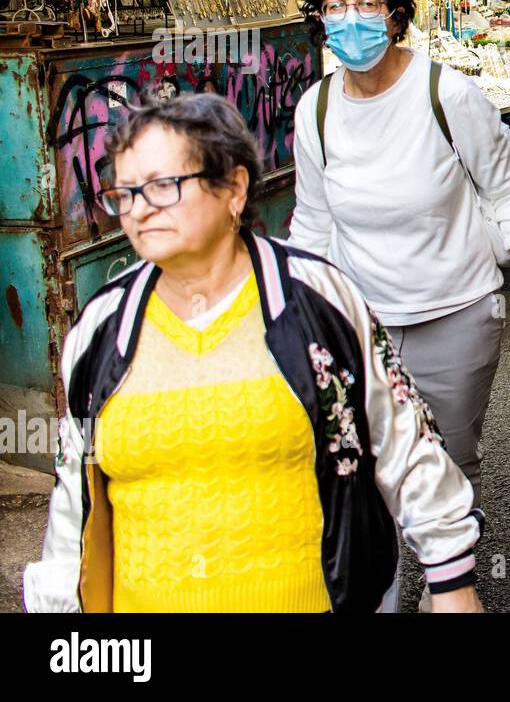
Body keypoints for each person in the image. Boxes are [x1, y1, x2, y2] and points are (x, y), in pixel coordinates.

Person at [24, 93, 484, 613]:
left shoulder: (319, 302)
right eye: (125, 193)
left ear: (234, 188)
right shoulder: (100, 332)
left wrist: (453, 584)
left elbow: (406, 442)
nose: (140, 209)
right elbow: (72, 508)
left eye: (162, 186)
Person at [291, 0, 510, 516]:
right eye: (335, 5)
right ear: (319, 19)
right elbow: (312, 221)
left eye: (365, 3)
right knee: (363, 471)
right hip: (358, 326)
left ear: (395, 15)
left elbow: (509, 194)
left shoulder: (448, 95)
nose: (349, 17)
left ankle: (447, 590)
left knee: (448, 462)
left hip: (455, 317)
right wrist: (296, 320)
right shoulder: (314, 111)